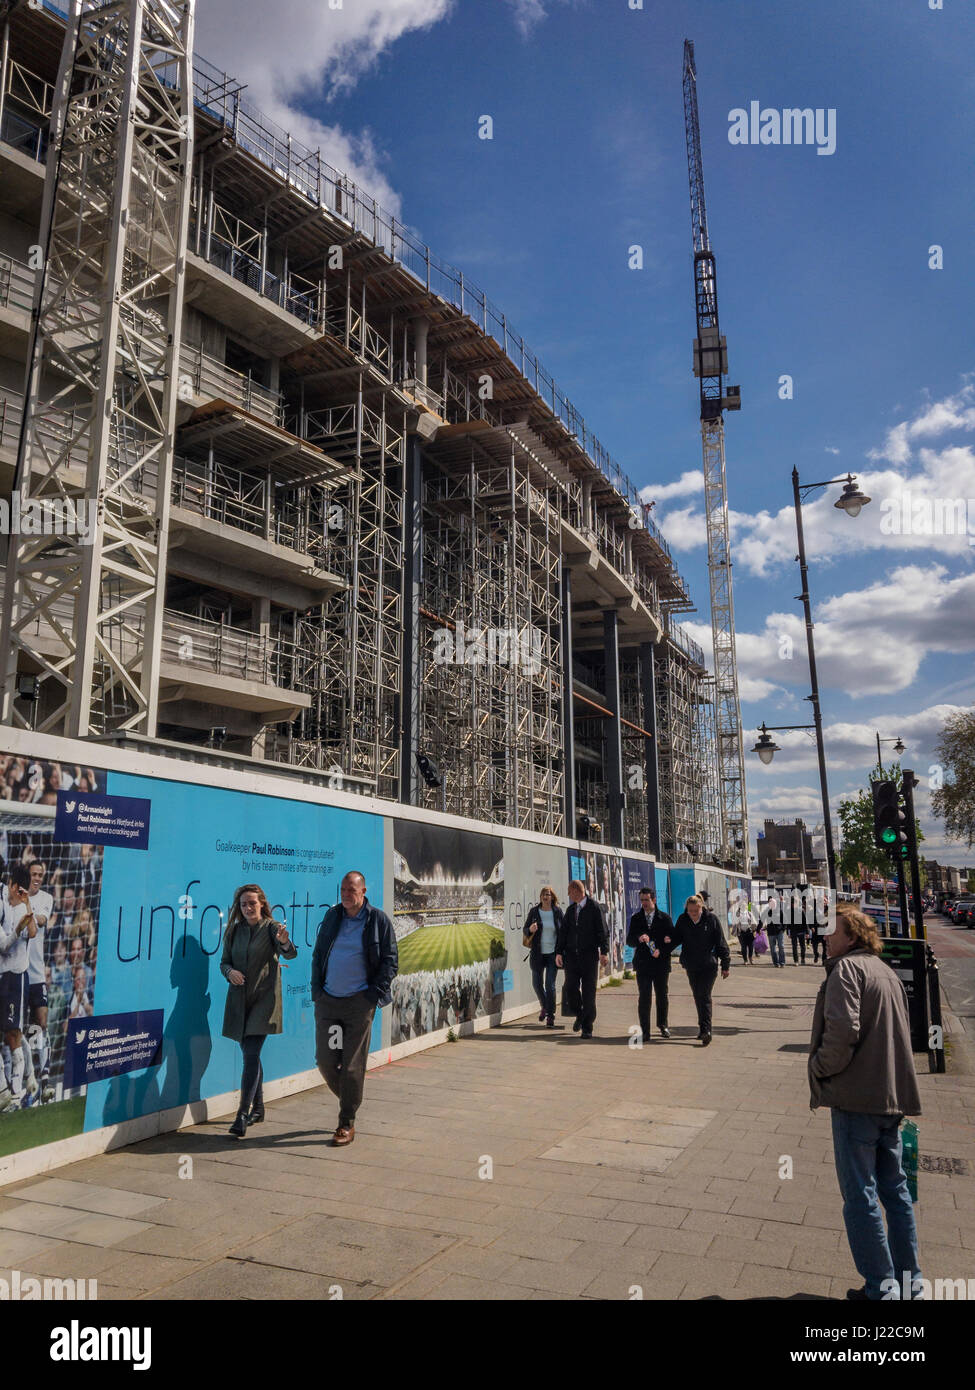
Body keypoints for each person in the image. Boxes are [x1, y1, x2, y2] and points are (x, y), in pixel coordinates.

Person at [808, 902, 922, 1301]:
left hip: (858, 1098)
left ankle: (882, 1288)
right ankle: (910, 1285)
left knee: (861, 1197)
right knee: (896, 1192)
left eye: (832, 931)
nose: (825, 936)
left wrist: (819, 1068)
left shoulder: (846, 970)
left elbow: (842, 1034)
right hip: (892, 1097)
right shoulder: (885, 971)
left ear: (852, 936)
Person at [311, 870, 398, 1147]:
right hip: (329, 1002)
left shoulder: (377, 920)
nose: (346, 895)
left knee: (351, 1066)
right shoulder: (332, 916)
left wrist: (372, 995)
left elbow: (390, 961)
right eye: (343, 890)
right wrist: (317, 991)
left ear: (363, 892)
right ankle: (351, 1100)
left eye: (352, 890)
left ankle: (346, 1122)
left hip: (358, 1004)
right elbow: (318, 954)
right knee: (326, 1061)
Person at [220, 882, 297, 1139]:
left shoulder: (273, 929)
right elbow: (224, 962)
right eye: (243, 904)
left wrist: (285, 943)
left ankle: (242, 1114)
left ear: (262, 903)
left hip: (263, 1002)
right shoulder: (233, 931)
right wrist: (230, 972)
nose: (248, 908)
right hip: (240, 1003)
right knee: (251, 1056)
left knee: (251, 1053)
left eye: (252, 903)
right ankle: (260, 1108)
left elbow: (290, 954)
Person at [0, 864, 37, 1106]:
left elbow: (32, 933)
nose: (16, 892)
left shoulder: (22, 906)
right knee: (8, 1033)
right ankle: (23, 1082)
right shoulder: (4, 905)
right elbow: (4, 945)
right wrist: (17, 928)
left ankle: (15, 1092)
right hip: (2, 976)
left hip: (16, 977)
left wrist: (27, 906)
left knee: (14, 1033)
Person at [673, 894, 730, 1046]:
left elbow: (721, 942)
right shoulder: (683, 919)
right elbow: (676, 937)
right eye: (690, 911)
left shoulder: (711, 920)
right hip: (691, 964)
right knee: (697, 995)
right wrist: (665, 945)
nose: (692, 914)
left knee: (704, 995)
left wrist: (725, 964)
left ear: (701, 907)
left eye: (695, 911)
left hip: (708, 965)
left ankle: (706, 1031)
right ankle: (702, 1027)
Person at [555, 879, 609, 1039]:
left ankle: (587, 1028)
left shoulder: (594, 907)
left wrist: (604, 951)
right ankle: (580, 1014)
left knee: (589, 993)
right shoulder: (571, 910)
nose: (568, 895)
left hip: (589, 957)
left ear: (577, 891)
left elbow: (602, 931)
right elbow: (563, 933)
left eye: (570, 892)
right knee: (571, 988)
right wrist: (559, 952)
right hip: (572, 957)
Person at [626, 886, 676, 1040]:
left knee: (662, 995)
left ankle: (663, 1025)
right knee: (644, 996)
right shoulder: (636, 918)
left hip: (660, 963)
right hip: (643, 964)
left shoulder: (664, 918)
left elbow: (672, 940)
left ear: (654, 900)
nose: (644, 903)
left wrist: (662, 949)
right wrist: (639, 938)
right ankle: (645, 1030)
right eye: (642, 900)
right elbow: (629, 940)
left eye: (647, 900)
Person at [522, 886, 564, 1028]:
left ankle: (550, 1016)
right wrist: (530, 929)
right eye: (543, 894)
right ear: (540, 897)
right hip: (537, 954)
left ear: (552, 897)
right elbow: (525, 929)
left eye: (548, 894)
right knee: (537, 984)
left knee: (550, 985)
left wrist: (562, 951)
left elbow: (563, 932)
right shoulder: (534, 912)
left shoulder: (557, 912)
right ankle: (545, 1006)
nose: (545, 897)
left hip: (553, 954)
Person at [765, 892, 787, 968]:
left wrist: (783, 929)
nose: (772, 905)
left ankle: (782, 962)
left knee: (781, 946)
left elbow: (785, 920)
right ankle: (776, 963)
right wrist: (758, 929)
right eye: (771, 903)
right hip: (771, 933)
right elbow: (762, 920)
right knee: (773, 949)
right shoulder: (767, 912)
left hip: (779, 932)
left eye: (773, 903)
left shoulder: (779, 911)